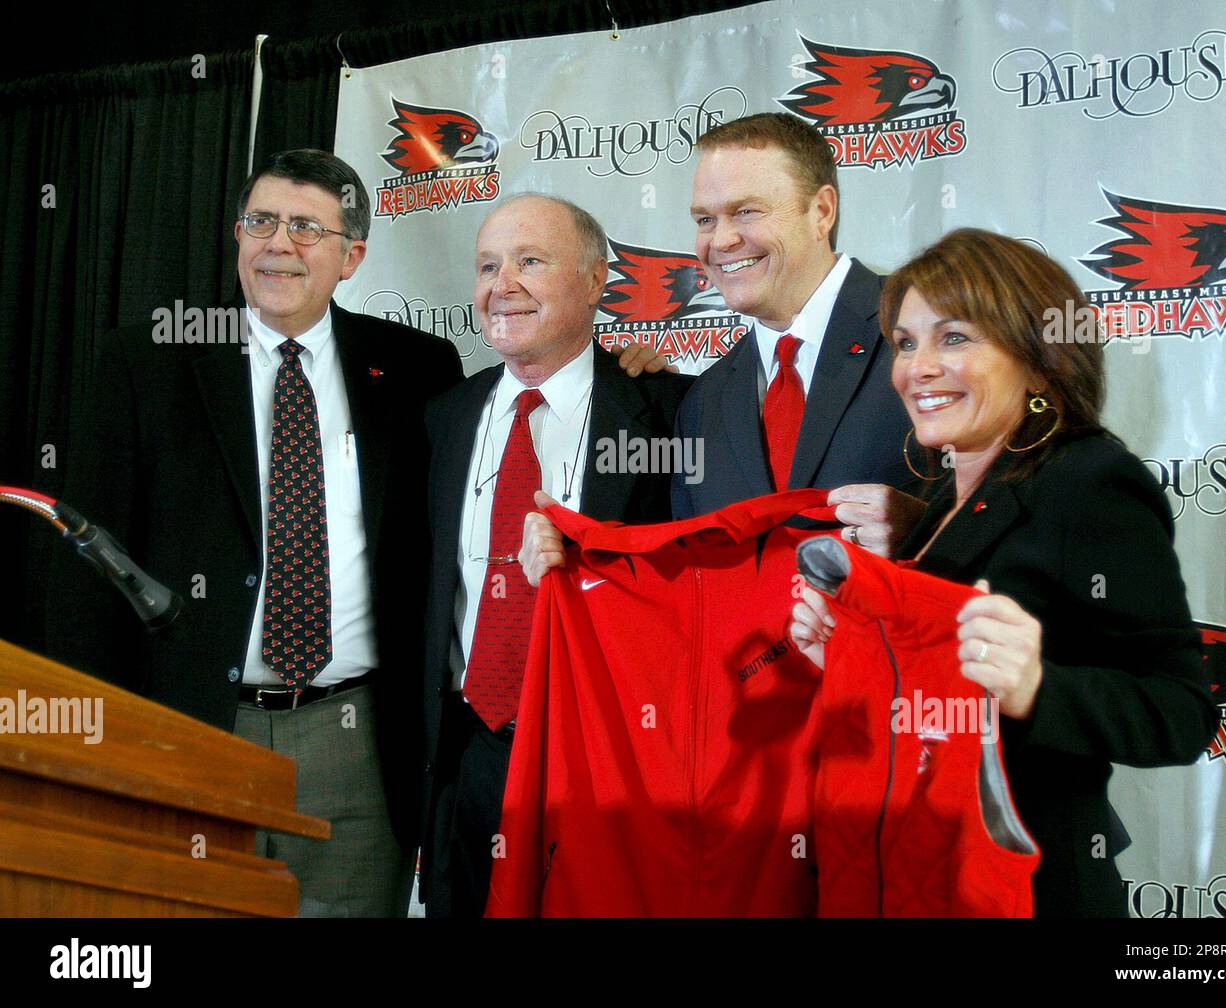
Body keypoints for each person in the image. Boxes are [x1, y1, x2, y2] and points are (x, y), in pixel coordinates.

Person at [47, 149, 464, 916]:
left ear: (353, 255)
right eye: (262, 222)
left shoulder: (417, 368)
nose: (279, 243)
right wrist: (93, 750)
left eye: (307, 227)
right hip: (192, 734)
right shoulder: (147, 362)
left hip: (358, 746)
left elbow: (516, 417)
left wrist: (635, 378)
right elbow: (88, 579)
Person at [789, 227, 1220, 916]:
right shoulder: (930, 495)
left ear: (1039, 358)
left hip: (1035, 891)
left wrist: (1034, 687)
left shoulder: (1088, 479)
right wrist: (835, 655)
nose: (916, 367)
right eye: (905, 343)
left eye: (953, 337)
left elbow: (1182, 714)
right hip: (910, 878)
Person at [421, 193, 693, 917]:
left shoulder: (669, 411)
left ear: (597, 279)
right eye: (487, 265)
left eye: (530, 261)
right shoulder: (442, 418)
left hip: (607, 756)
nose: (500, 285)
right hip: (470, 753)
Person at [676, 112, 923, 549]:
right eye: (705, 220)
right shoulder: (702, 403)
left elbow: (1024, 510)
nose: (721, 240)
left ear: (821, 212)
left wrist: (926, 530)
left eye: (746, 211)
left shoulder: (925, 330)